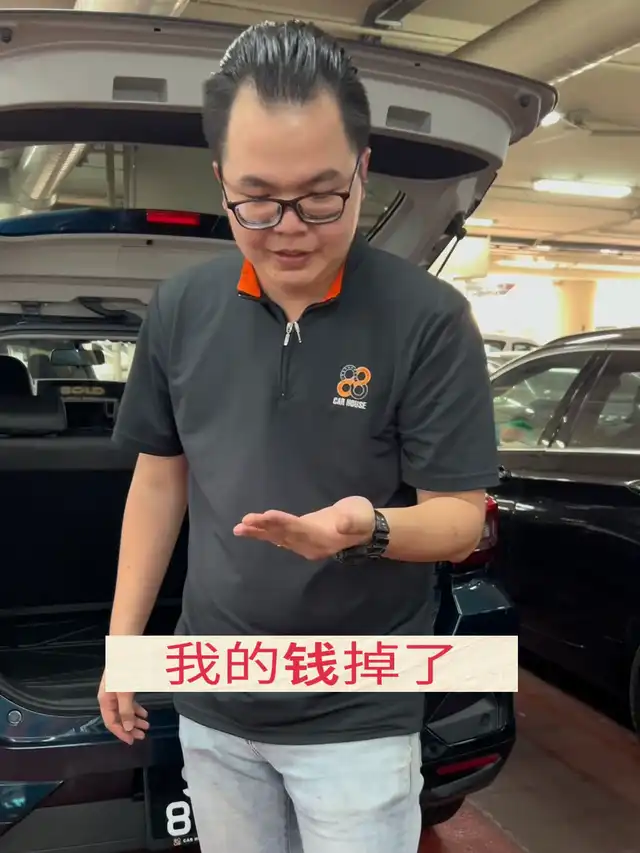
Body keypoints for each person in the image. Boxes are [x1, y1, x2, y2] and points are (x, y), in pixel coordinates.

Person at [98, 19, 499, 853]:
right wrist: (124, 643)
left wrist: (366, 528)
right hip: (215, 694)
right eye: (257, 198)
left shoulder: (427, 319)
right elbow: (160, 479)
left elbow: (460, 518)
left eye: (321, 197)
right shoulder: (182, 308)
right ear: (220, 180)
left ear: (362, 169)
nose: (288, 227)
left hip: (357, 711)